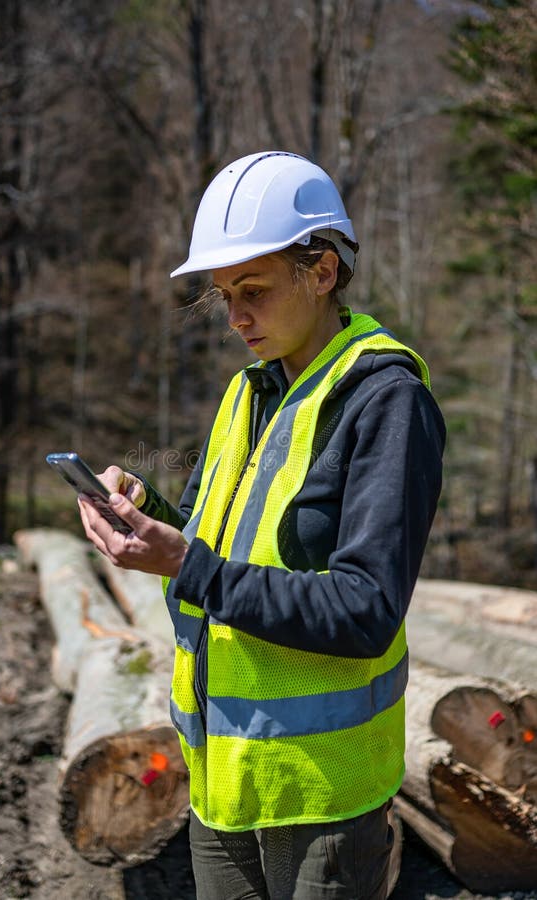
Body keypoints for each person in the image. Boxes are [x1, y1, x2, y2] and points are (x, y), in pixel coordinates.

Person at [78, 150, 445, 900]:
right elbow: (228, 546)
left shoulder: (385, 402)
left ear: (321, 272)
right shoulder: (251, 392)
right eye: (223, 295)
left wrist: (186, 566)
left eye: (254, 289)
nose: (236, 315)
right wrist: (145, 513)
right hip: (223, 783)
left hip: (322, 801)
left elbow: (365, 611)